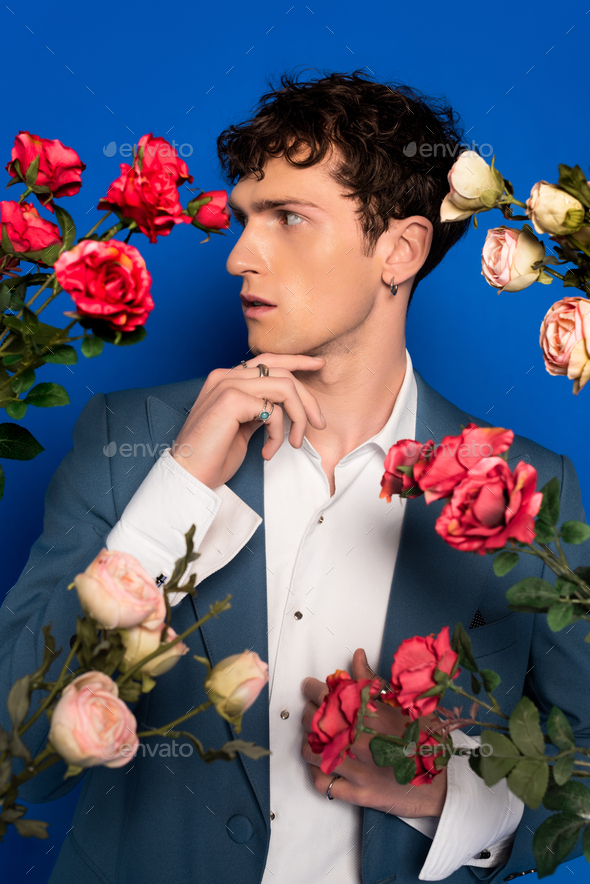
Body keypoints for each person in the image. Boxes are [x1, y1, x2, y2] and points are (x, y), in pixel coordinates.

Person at [1, 69, 588, 884]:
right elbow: (13, 732)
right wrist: (177, 488)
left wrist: (446, 793)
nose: (240, 254)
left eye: (288, 218)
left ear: (401, 250)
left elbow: (583, 770)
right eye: (244, 218)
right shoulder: (125, 438)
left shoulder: (522, 486)